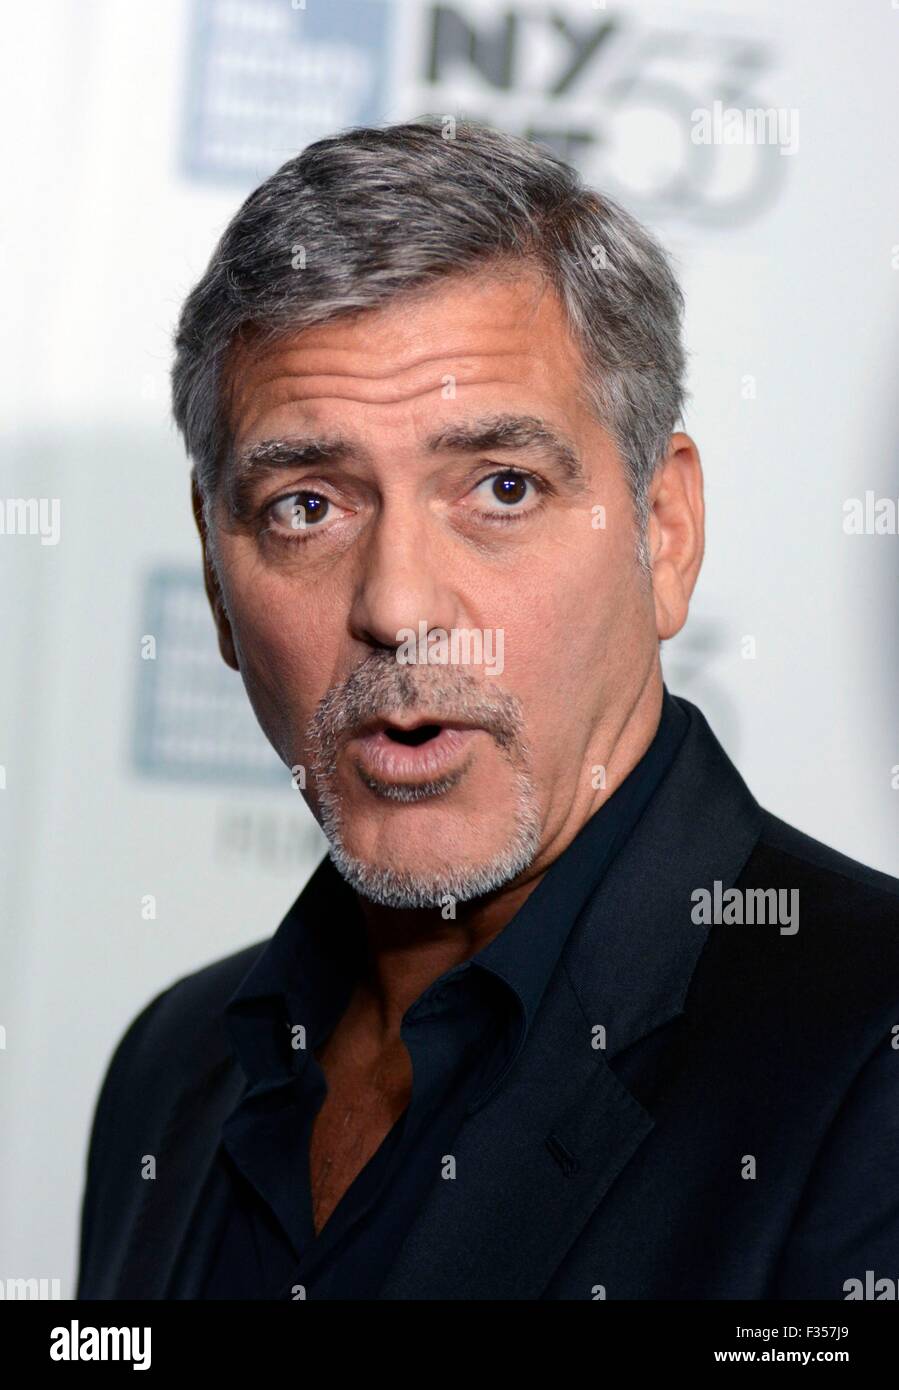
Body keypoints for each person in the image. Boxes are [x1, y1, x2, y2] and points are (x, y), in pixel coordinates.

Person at [77, 120, 899, 1301]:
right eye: (307, 506)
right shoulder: (175, 1065)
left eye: (500, 488)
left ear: (661, 535)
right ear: (215, 584)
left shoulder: (866, 1060)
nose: (400, 606)